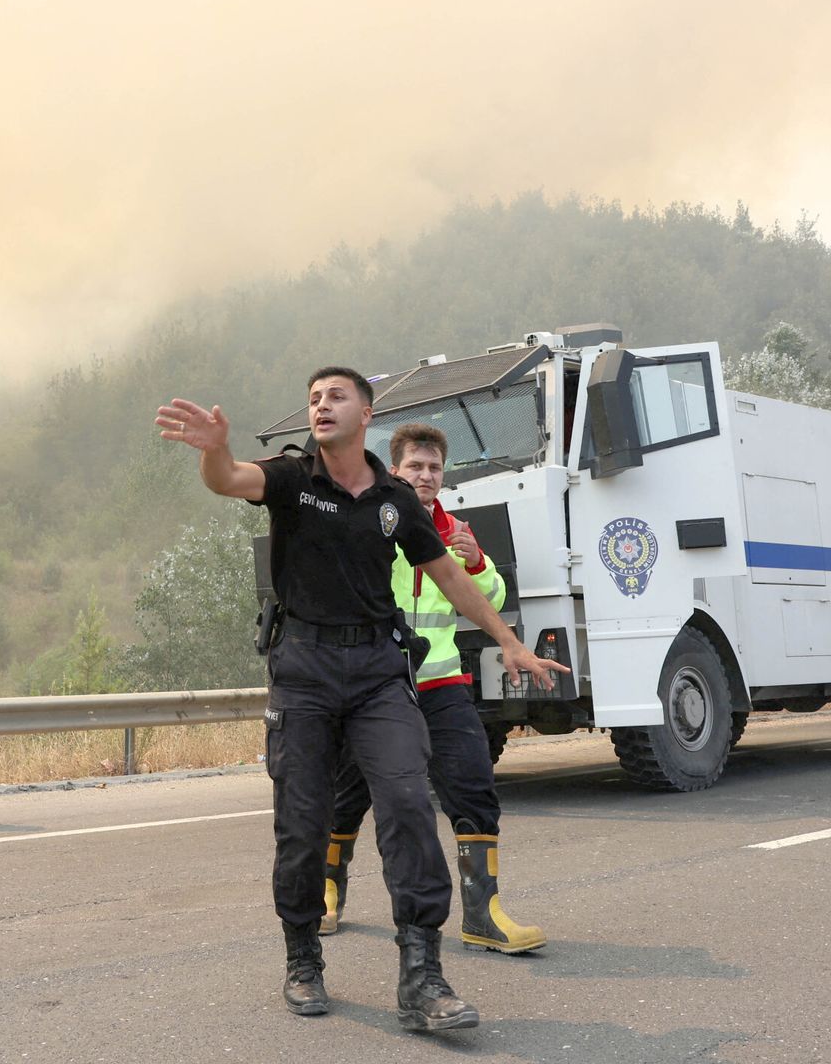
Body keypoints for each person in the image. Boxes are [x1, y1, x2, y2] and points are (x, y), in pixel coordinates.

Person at [155, 369, 568, 1032]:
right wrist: (214, 449)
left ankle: (422, 976)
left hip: (379, 668)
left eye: (335, 396)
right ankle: (302, 960)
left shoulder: (394, 499)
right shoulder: (291, 477)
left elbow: (446, 575)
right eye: (314, 396)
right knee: (303, 822)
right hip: (306, 669)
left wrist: (509, 642)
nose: (320, 404)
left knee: (407, 803)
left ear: (366, 413)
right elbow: (229, 479)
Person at [320, 422, 545, 955]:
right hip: (375, 684)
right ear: (394, 470)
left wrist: (474, 560)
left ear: (444, 475)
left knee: (473, 785)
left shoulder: (453, 528)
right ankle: (327, 890)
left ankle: (482, 914)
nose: (425, 475)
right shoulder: (372, 518)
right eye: (414, 467)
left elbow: (488, 593)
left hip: (442, 680)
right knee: (346, 794)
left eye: (434, 468)